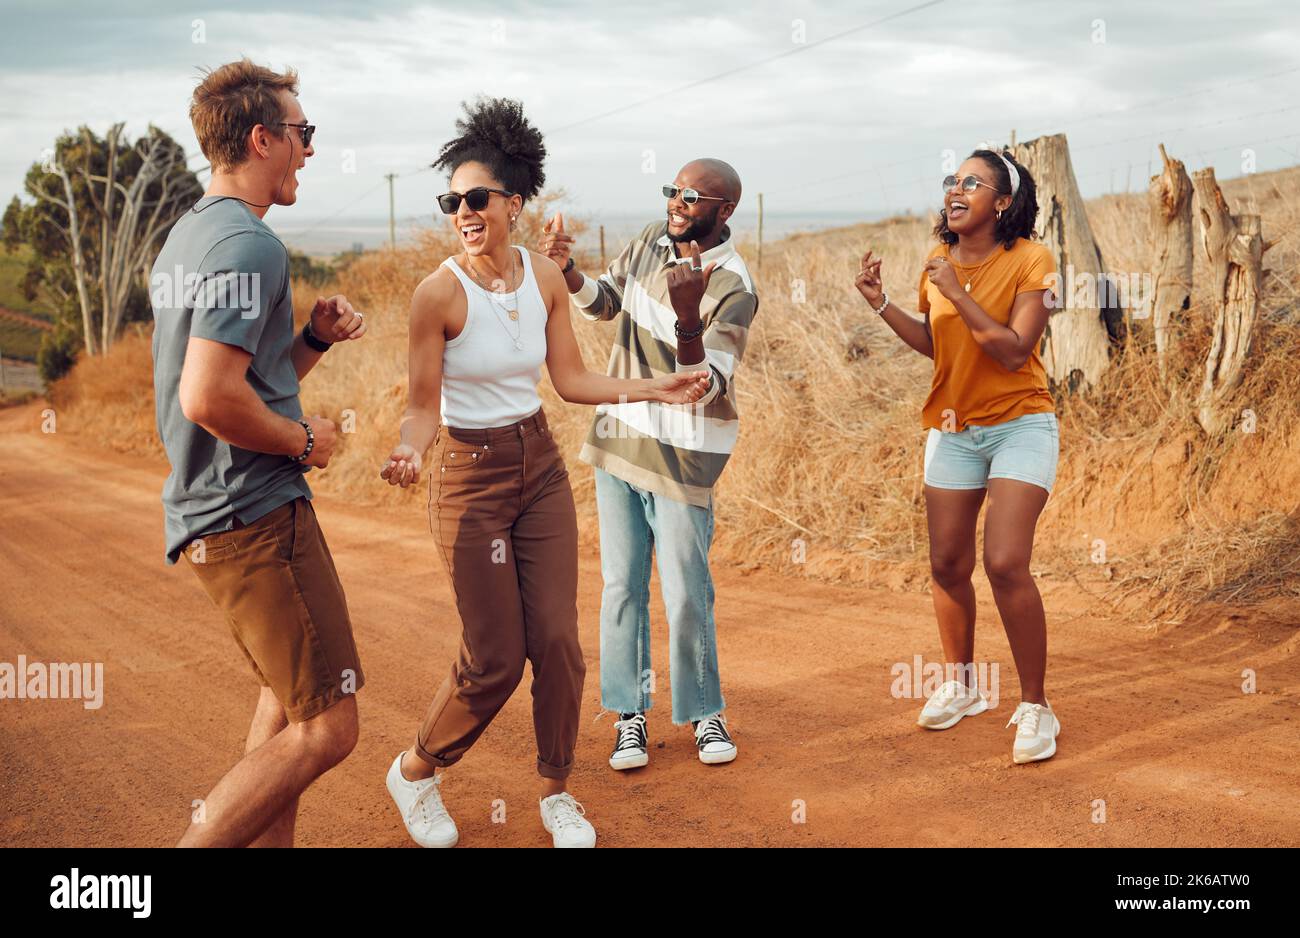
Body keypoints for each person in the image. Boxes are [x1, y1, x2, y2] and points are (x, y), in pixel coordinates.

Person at [379, 98, 710, 849]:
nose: (462, 212)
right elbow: (422, 408)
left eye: (475, 199)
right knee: (494, 660)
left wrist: (652, 387)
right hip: (468, 476)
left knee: (558, 642)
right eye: (451, 202)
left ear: (513, 204)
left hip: (540, 470)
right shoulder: (436, 294)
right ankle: (417, 769)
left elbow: (571, 379)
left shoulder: (543, 278)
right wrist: (409, 449)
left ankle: (557, 791)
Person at [150, 59, 367, 847]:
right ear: (261, 137)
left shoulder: (192, 234)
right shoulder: (250, 246)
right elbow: (206, 398)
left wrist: (309, 339)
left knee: (288, 707)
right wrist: (306, 441)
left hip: (225, 509)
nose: (309, 150)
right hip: (253, 513)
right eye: (303, 134)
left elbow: (242, 384)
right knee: (331, 727)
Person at [539, 159, 759, 771]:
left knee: (688, 590)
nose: (677, 203)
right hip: (617, 435)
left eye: (691, 196)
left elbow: (703, 384)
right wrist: (568, 271)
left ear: (725, 210)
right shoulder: (648, 243)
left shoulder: (735, 287)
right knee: (621, 587)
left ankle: (704, 713)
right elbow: (602, 304)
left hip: (685, 455)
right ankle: (629, 716)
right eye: (672, 191)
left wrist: (688, 317)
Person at [855, 147, 1062, 764]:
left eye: (973, 182)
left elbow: (1013, 349)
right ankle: (961, 685)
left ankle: (1035, 706)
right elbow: (936, 345)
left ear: (1002, 202)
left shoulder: (1033, 261)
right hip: (953, 428)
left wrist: (959, 292)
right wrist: (881, 303)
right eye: (952, 179)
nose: (956, 188)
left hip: (1021, 424)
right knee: (947, 563)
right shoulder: (937, 262)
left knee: (1003, 560)